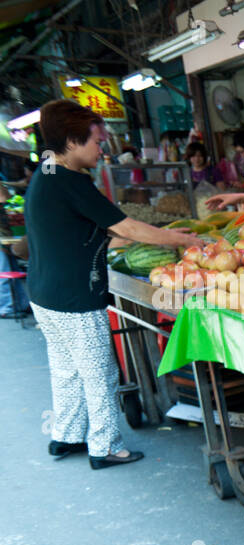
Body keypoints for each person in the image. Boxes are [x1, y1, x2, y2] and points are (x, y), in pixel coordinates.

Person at [25, 99, 202, 468]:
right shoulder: (71, 182)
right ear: (72, 142)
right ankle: (104, 447)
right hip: (73, 296)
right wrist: (183, 240)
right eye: (96, 142)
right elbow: (125, 227)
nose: (102, 150)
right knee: (98, 372)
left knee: (65, 369)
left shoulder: (46, 171)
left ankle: (67, 436)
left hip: (44, 293)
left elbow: (83, 228)